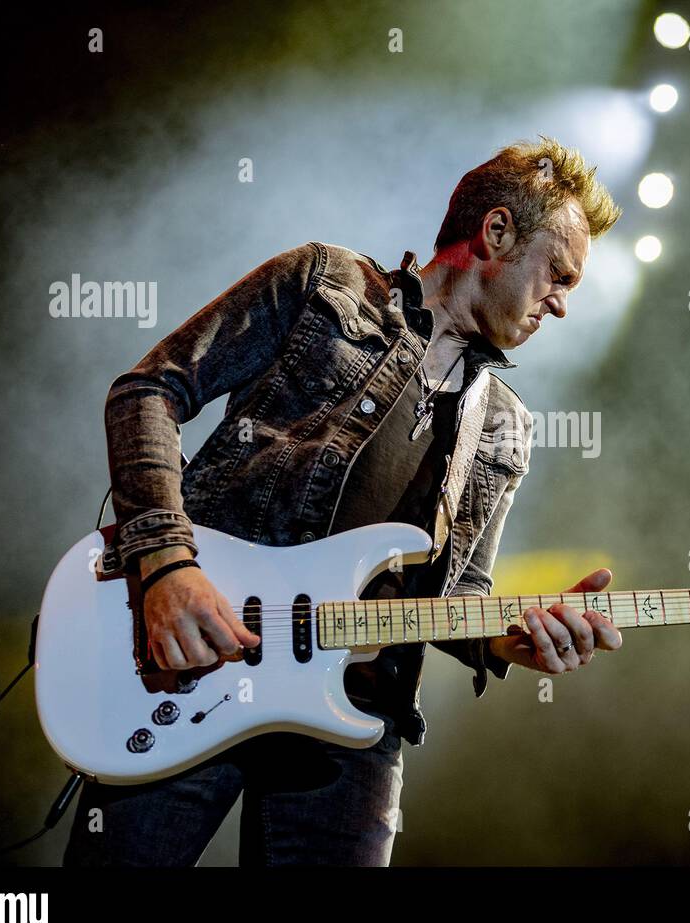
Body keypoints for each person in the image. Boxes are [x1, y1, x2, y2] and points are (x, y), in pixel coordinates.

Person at [63, 136, 625, 866]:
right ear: (496, 232)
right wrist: (167, 563)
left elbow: (461, 593)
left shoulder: (506, 424)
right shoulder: (324, 283)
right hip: (197, 663)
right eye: (559, 275)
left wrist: (506, 640)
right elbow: (149, 390)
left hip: (355, 722)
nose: (563, 304)